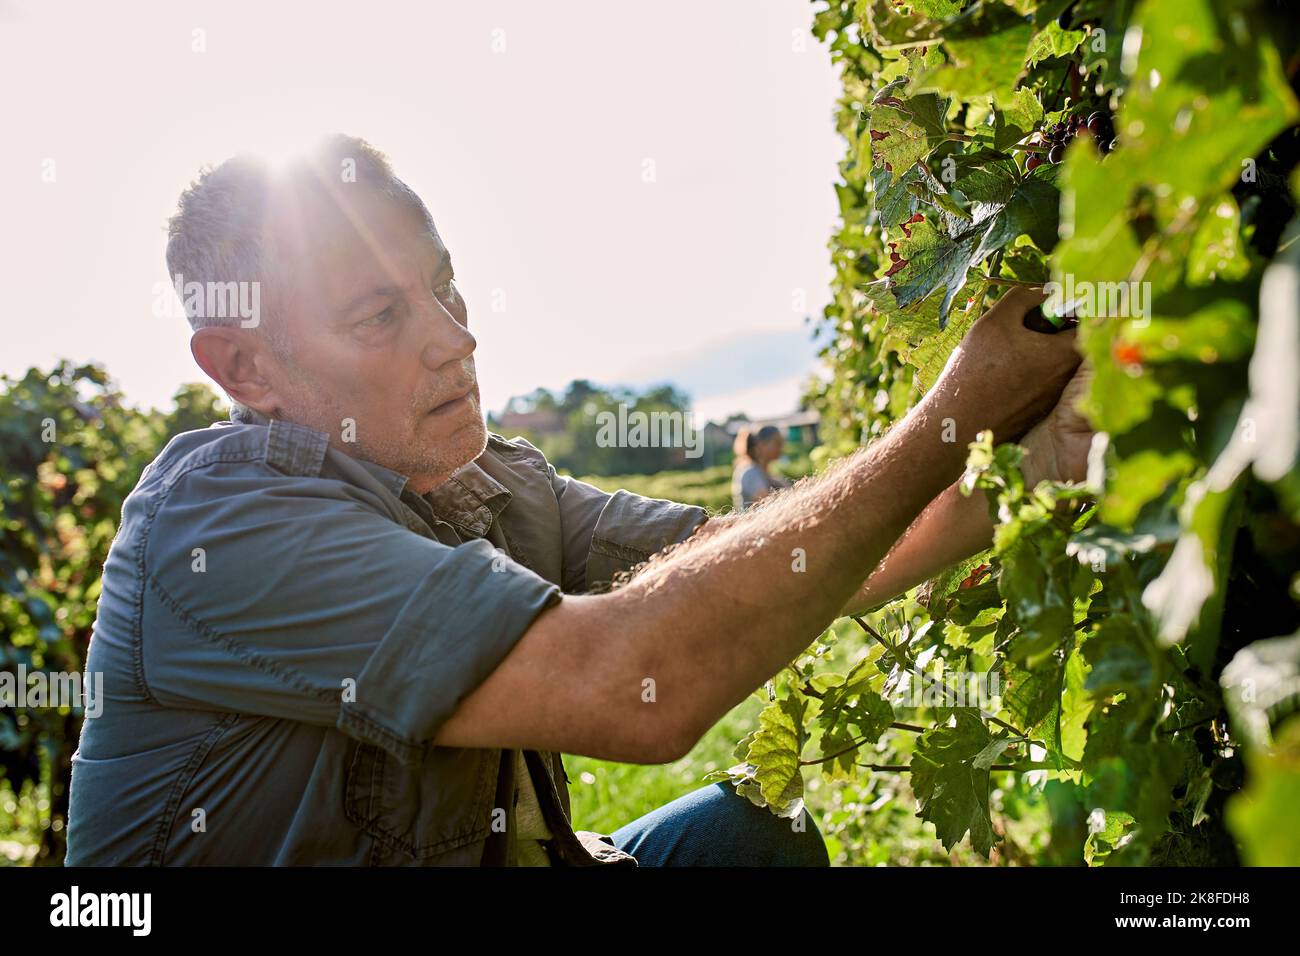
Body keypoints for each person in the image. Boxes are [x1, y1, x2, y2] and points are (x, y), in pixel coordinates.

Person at [64, 135, 1091, 867]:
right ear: (246, 365)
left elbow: (778, 557)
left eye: (445, 285)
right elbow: (633, 682)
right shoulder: (218, 528)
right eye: (380, 313)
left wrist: (1037, 458)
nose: (454, 337)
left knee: (747, 834)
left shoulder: (498, 482)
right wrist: (952, 410)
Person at [732, 424, 792, 510]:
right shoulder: (750, 473)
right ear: (761, 445)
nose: (781, 447)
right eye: (777, 443)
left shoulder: (767, 474)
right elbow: (768, 504)